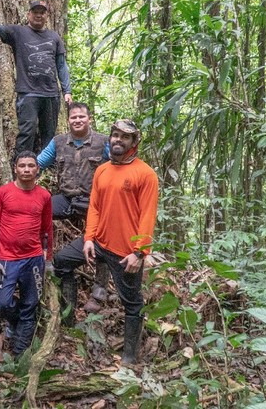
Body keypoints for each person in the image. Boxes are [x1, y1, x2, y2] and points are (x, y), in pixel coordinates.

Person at [53, 119, 159, 365]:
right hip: (99, 241)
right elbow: (95, 208)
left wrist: (140, 252)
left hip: (126, 252)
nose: (117, 140)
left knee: (132, 304)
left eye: (124, 137)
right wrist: (89, 238)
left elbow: (147, 215)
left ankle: (129, 358)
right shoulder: (102, 170)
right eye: (114, 135)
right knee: (61, 261)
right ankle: (70, 323)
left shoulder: (145, 174)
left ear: (134, 143)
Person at [0, 0, 73, 155]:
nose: (38, 15)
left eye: (42, 12)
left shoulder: (54, 37)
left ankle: (45, 170)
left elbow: (61, 65)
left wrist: (67, 90)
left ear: (46, 16)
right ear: (28, 14)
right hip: (28, 92)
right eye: (35, 12)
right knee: (26, 132)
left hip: (51, 93)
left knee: (49, 135)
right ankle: (21, 167)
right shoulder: (18, 32)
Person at [37, 103, 111, 311]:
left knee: (101, 238)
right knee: (38, 212)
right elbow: (39, 163)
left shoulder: (103, 142)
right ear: (68, 120)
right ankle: (43, 257)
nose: (77, 120)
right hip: (67, 198)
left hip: (95, 201)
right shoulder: (59, 142)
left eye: (81, 117)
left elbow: (118, 165)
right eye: (73, 117)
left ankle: (100, 287)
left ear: (89, 119)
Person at [0, 152, 53, 356]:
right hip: (7, 258)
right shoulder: (3, 193)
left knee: (30, 305)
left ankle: (19, 353)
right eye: (22, 166)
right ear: (15, 168)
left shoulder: (44, 196)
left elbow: (47, 228)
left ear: (37, 169)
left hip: (33, 258)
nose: (26, 170)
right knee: (1, 303)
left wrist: (48, 258)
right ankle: (13, 322)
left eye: (31, 166)